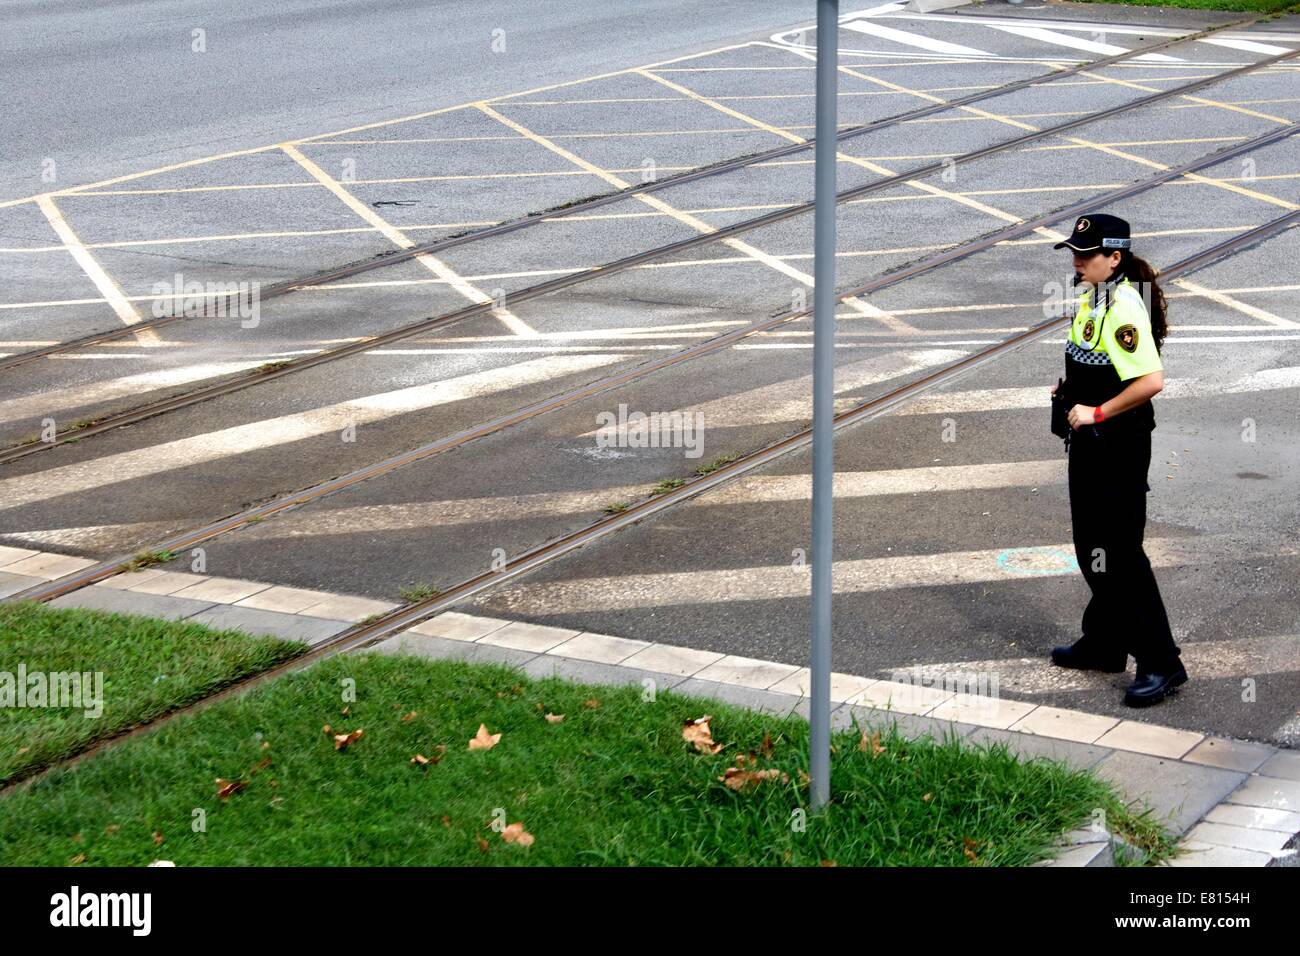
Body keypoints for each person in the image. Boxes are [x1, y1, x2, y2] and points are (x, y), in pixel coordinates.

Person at [1048, 213, 1187, 707]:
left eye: (1087, 254)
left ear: (1115, 256)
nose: (1078, 261)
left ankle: (1162, 662)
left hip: (1118, 446)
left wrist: (1097, 410)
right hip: (1090, 443)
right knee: (1093, 547)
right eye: (1075, 253)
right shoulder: (1094, 296)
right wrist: (1069, 391)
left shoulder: (1125, 304)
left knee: (1121, 553)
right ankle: (1106, 642)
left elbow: (1151, 381)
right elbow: (1094, 358)